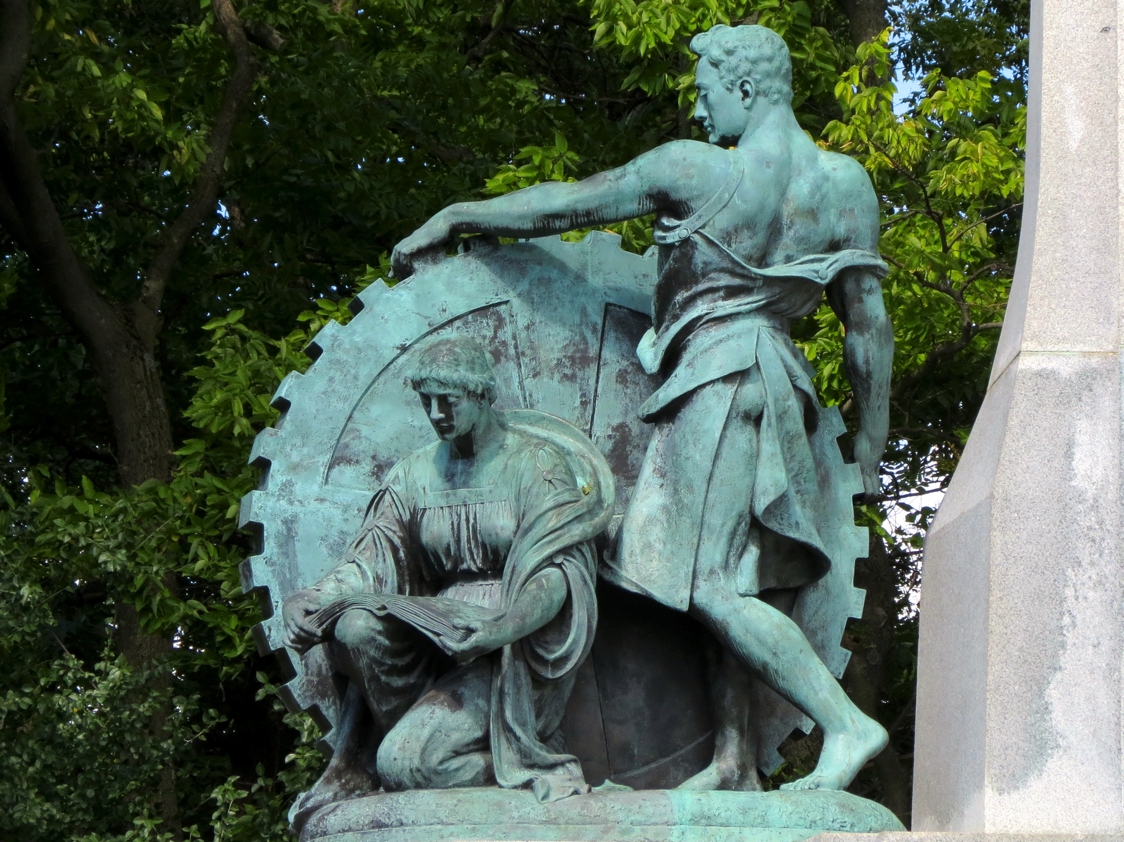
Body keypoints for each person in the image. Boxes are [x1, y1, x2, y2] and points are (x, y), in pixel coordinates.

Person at [391, 24, 893, 792]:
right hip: (783, 386)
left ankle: (845, 724)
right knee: (737, 577)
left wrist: (463, 213)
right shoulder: (844, 183)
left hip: (716, 383)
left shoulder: (694, 169)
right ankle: (732, 762)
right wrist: (871, 436)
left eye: (708, 91)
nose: (700, 107)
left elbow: (570, 204)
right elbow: (869, 327)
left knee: (711, 585)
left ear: (747, 88)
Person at [282, 338, 613, 822]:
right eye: (426, 401)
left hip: (509, 649)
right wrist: (312, 599)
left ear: (481, 395)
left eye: (449, 400)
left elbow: (557, 572)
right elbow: (370, 557)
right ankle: (399, 748)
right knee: (353, 626)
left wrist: (504, 626)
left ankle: (509, 758)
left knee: (404, 765)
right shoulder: (414, 473)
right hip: (433, 634)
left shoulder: (535, 464)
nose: (436, 413)